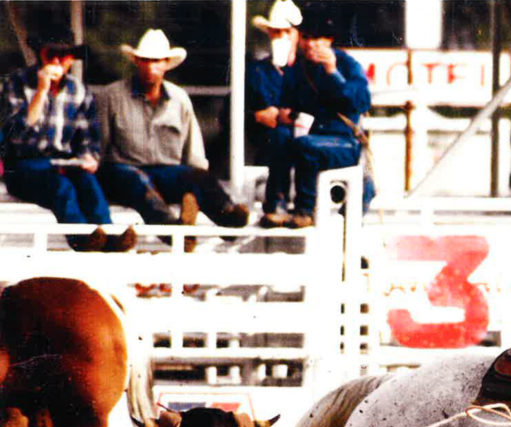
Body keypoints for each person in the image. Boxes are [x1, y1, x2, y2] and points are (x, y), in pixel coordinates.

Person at [96, 29, 249, 246]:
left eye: (156, 61)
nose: (151, 67)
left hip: (166, 172)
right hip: (123, 171)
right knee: (136, 180)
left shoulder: (179, 99)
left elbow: (193, 150)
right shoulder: (111, 95)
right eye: (145, 60)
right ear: (137, 61)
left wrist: (197, 178)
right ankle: (174, 232)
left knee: (198, 176)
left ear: (166, 63)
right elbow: (99, 146)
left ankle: (229, 218)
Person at [0, 25, 135, 252]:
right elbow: (14, 136)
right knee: (62, 188)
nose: (57, 61)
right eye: (51, 54)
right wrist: (42, 91)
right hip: (24, 165)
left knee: (89, 183)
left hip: (65, 163)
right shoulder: (17, 83)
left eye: (64, 55)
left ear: (72, 58)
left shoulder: (79, 90)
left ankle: (108, 235)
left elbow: (88, 139)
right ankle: (83, 239)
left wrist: (89, 158)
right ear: (41, 54)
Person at [271, 8, 373, 227]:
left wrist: (332, 72)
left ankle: (305, 210)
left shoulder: (347, 64)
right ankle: (275, 205)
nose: (311, 44)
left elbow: (361, 102)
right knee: (280, 137)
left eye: (317, 38)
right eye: (306, 37)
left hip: (345, 142)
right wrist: (285, 114)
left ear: (329, 40)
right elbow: (285, 104)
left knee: (306, 146)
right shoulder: (298, 68)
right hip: (314, 136)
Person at [247, 0, 303, 227]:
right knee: (279, 137)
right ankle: (276, 203)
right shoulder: (256, 71)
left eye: (286, 32)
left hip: (304, 135)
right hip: (267, 140)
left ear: (297, 35)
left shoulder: (307, 70)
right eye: (276, 32)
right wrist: (257, 116)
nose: (280, 37)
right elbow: (229, 114)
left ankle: (299, 206)